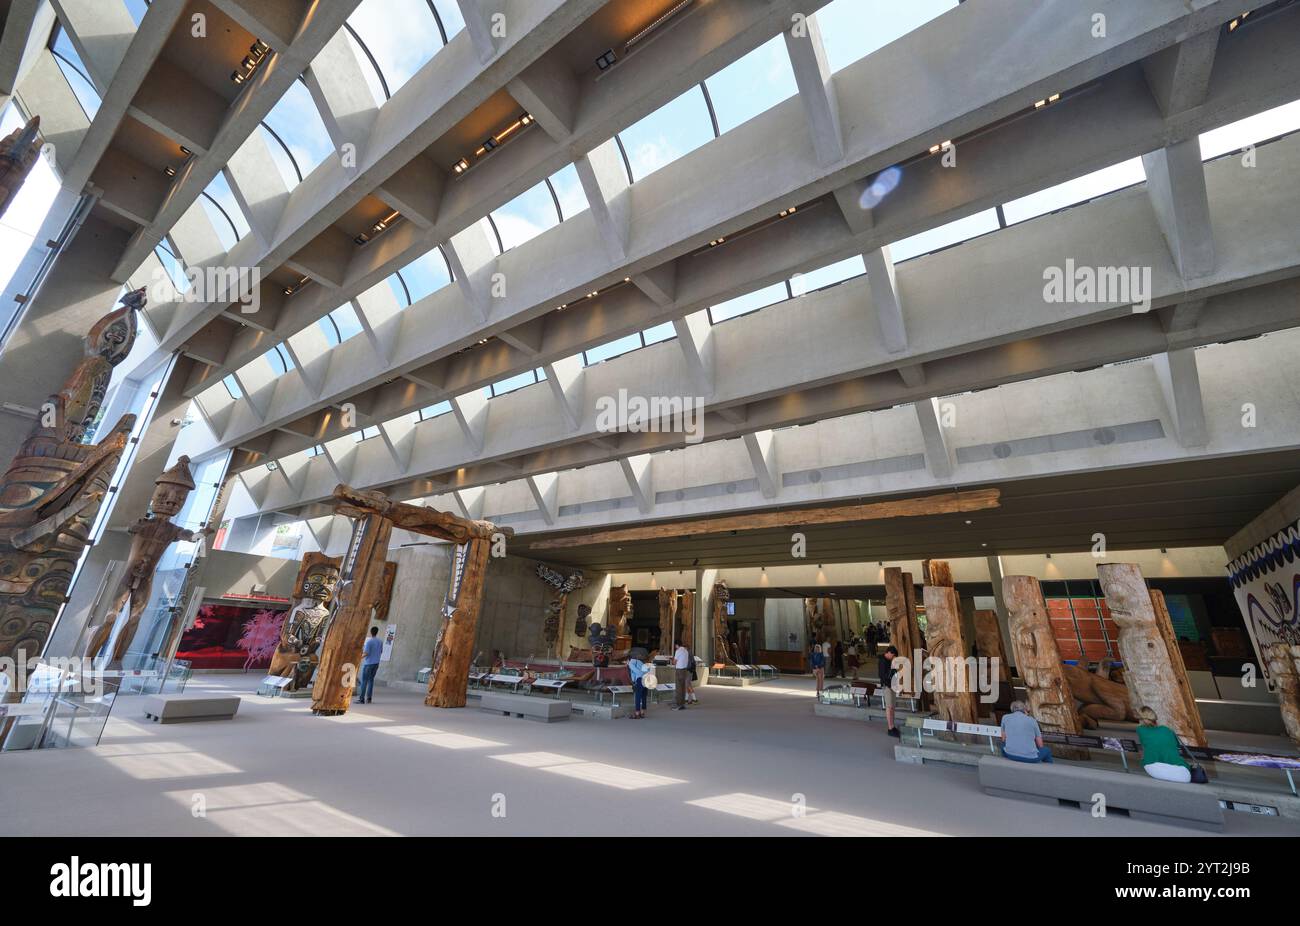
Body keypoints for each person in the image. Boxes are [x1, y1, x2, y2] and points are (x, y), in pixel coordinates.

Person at [1136, 706, 1192, 782]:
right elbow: (1175, 746)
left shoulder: (1140, 730)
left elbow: (1145, 747)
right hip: (1182, 771)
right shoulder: (1167, 730)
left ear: (1141, 719)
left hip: (1152, 766)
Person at [355, 626, 383, 704]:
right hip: (376, 663)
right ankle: (369, 698)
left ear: (371, 632)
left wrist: (359, 658)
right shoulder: (380, 641)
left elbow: (366, 653)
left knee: (364, 681)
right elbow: (381, 651)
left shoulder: (369, 642)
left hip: (368, 664)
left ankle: (361, 699)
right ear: (377, 632)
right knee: (371, 680)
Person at [878, 646, 901, 737]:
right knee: (889, 707)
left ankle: (892, 726)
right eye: (893, 656)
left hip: (892, 686)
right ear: (889, 653)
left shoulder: (889, 661)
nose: (893, 657)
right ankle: (890, 728)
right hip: (887, 686)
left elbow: (893, 673)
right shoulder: (883, 661)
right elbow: (883, 676)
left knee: (892, 707)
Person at [627, 652, 651, 719]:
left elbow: (637, 672)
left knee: (638, 696)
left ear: (628, 659)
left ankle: (637, 713)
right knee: (644, 696)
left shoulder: (631, 663)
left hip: (640, 680)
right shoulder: (641, 662)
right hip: (646, 679)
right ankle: (642, 712)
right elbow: (648, 670)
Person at [672, 640, 691, 710]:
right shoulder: (686, 651)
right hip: (684, 670)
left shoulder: (678, 651)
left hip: (679, 670)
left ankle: (679, 705)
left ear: (677, 645)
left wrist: (672, 660)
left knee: (679, 688)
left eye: (675, 646)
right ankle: (683, 704)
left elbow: (674, 662)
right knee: (683, 687)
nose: (675, 647)